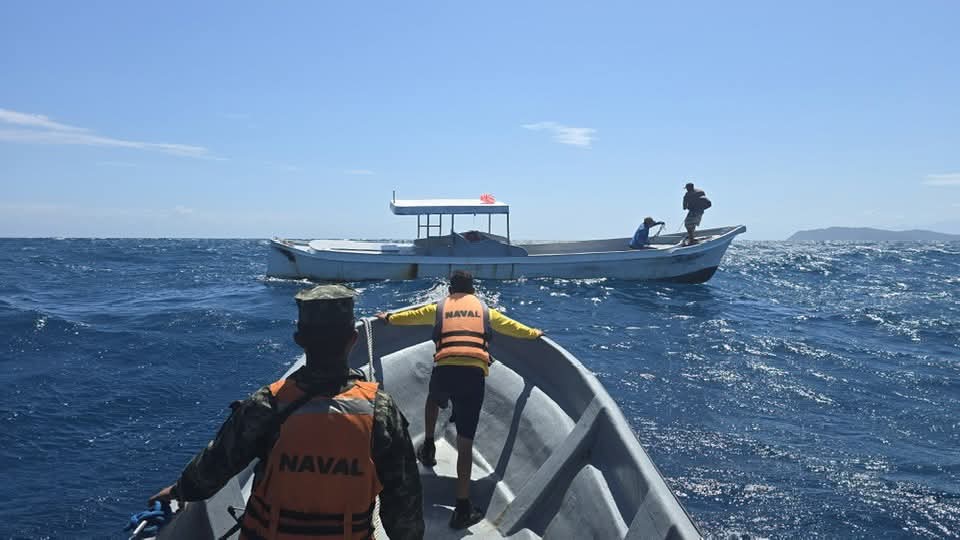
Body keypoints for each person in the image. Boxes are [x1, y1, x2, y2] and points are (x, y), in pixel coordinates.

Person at [148, 284, 425, 540]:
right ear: (353, 339)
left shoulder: (266, 404)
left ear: (299, 339)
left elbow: (211, 470)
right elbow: (404, 507)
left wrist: (178, 492)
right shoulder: (381, 411)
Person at [376, 270, 543, 530]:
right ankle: (462, 508)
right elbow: (512, 327)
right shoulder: (486, 311)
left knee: (433, 398)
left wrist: (388, 318)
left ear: (450, 290)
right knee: (465, 445)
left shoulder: (440, 307)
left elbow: (412, 317)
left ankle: (428, 445)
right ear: (473, 290)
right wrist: (533, 333)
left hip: (445, 371)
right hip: (472, 377)